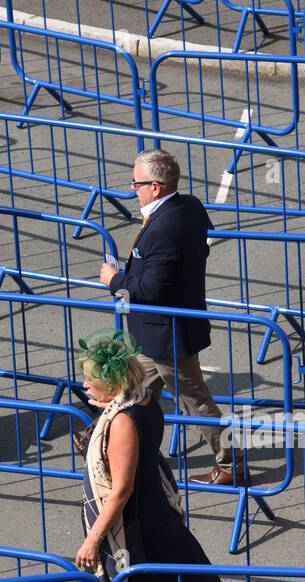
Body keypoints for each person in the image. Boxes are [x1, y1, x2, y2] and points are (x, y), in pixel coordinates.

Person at [25, 331, 226, 582]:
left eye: (91, 380)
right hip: (154, 521)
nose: (84, 384)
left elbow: (120, 490)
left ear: (113, 383)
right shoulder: (144, 401)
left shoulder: (121, 421)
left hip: (131, 529)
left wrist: (93, 538)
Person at [98, 150, 246, 487]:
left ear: (155, 186)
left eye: (136, 184)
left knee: (196, 402)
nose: (132, 189)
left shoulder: (163, 227)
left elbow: (152, 288)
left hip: (167, 334)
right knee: (130, 391)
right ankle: (104, 443)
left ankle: (232, 464)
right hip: (160, 332)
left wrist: (115, 280)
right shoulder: (189, 206)